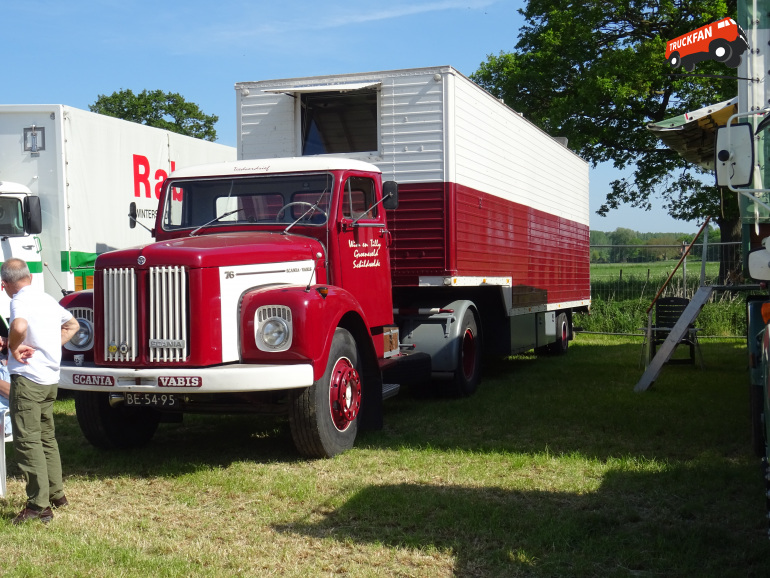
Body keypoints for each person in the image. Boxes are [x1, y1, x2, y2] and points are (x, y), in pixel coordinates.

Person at [1, 259, 79, 525]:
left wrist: (13, 348)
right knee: (47, 437)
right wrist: (48, 346)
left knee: (27, 441)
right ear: (30, 277)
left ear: (5, 285)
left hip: (28, 380)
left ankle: (38, 505)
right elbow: (73, 326)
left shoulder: (19, 300)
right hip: (49, 380)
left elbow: (20, 327)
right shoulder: (46, 299)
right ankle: (57, 495)